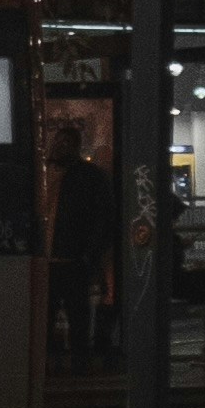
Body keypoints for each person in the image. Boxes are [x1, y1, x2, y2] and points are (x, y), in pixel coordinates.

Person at [48, 123, 116, 369]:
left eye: (65, 142)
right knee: (77, 316)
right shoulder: (91, 177)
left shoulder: (50, 174)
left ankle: (63, 364)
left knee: (67, 317)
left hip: (64, 259)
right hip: (72, 259)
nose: (60, 146)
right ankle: (78, 365)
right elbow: (104, 220)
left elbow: (103, 221)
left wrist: (89, 255)